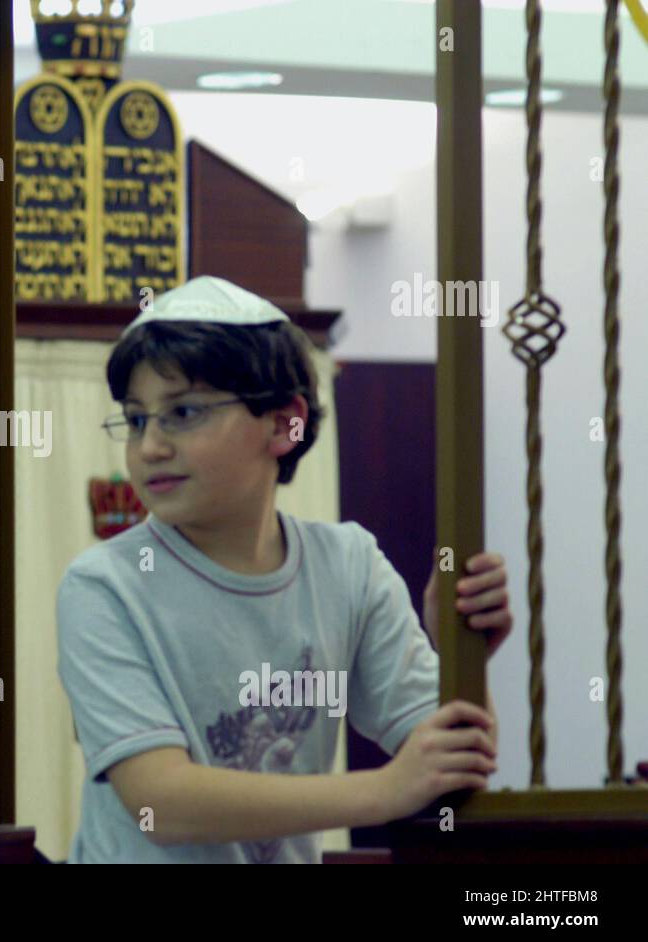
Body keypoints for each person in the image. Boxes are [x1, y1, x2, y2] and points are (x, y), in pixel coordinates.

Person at [56, 276, 512, 863]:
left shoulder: (348, 565)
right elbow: (159, 804)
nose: (149, 448)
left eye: (183, 412)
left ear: (283, 424)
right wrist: (382, 791)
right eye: (137, 419)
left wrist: (462, 655)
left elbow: (453, 771)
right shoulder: (104, 586)